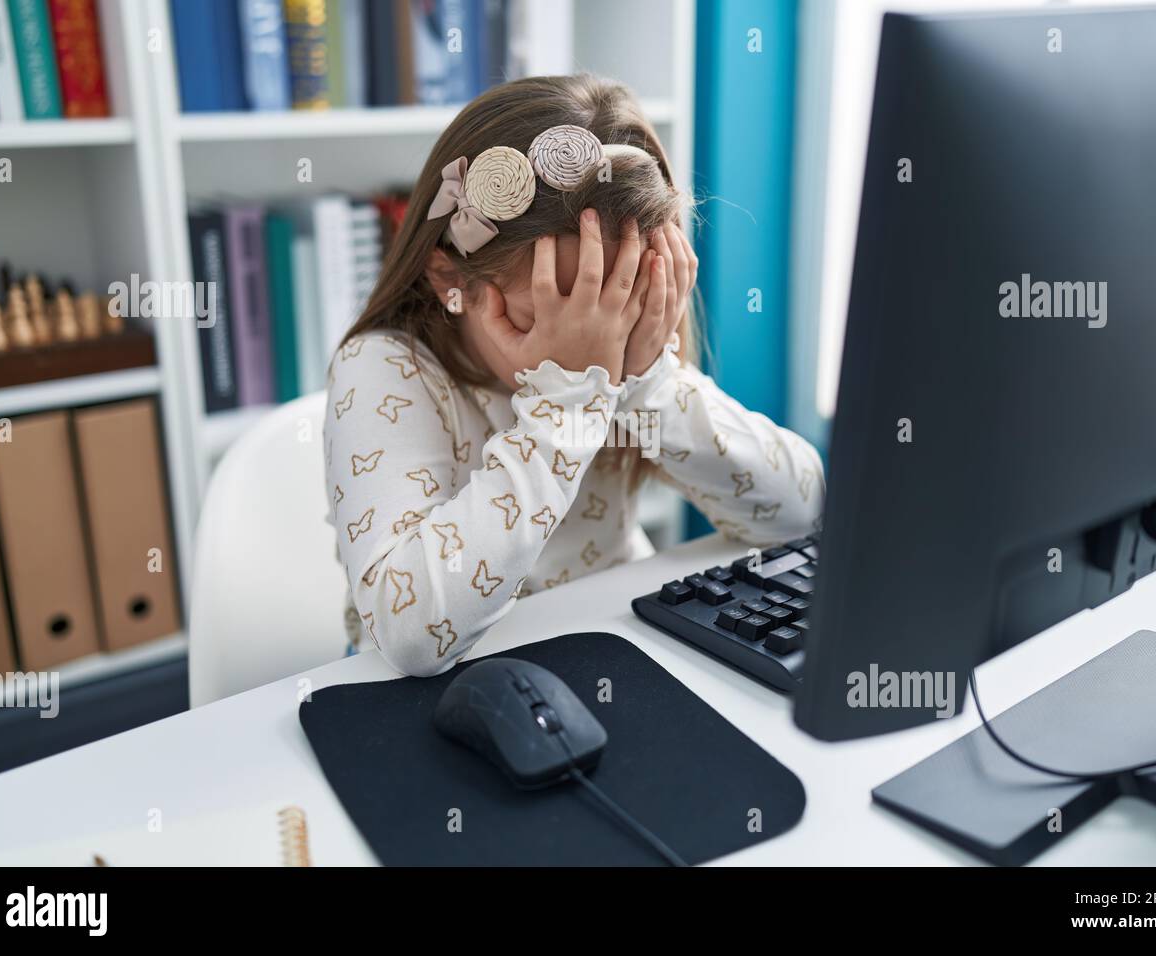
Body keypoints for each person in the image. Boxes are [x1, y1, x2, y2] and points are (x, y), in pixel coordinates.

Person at [325, 75, 822, 676]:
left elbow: (799, 513)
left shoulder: (629, 370)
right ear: (451, 280)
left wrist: (647, 380)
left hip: (603, 649)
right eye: (546, 317)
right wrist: (564, 406)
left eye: (625, 308)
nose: (598, 347)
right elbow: (411, 635)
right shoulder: (384, 368)